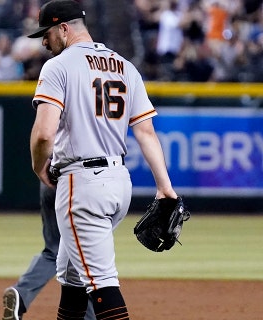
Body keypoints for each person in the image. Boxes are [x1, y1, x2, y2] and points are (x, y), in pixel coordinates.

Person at [26, 0, 178, 319]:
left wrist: (39, 165)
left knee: (102, 284)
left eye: (47, 33)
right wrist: (166, 188)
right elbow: (146, 132)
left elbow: (43, 134)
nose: (43, 41)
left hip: (82, 186)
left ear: (64, 29)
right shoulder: (125, 66)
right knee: (71, 279)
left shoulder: (58, 67)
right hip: (118, 183)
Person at [2, 184, 94, 320]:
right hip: (82, 184)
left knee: (53, 252)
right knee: (84, 256)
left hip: (50, 181)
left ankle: (21, 294)